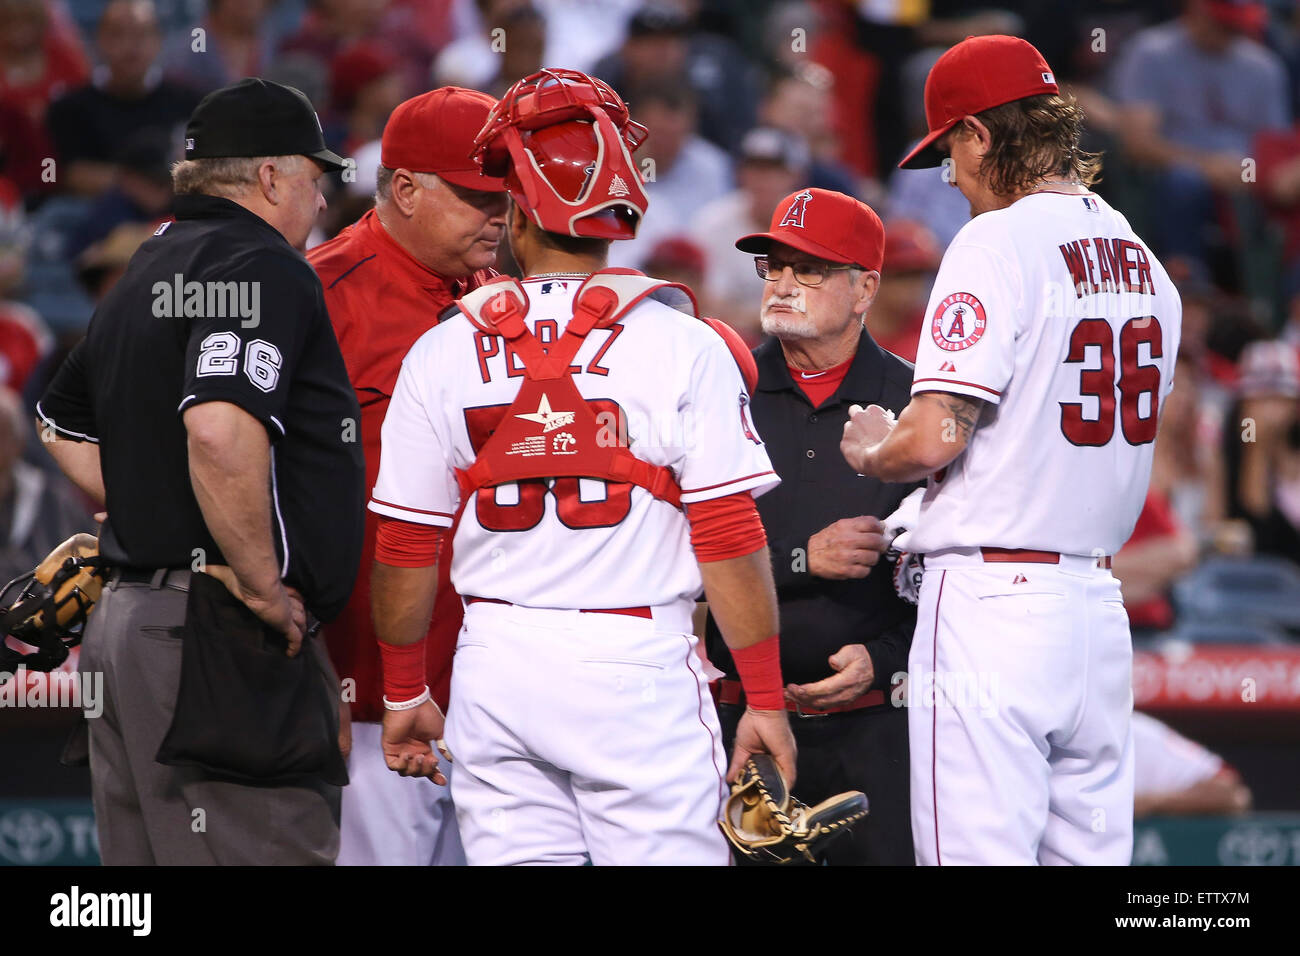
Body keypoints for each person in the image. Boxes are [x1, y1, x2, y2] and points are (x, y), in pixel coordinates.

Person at [368, 67, 796, 866]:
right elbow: (731, 534)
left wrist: (402, 690)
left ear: (522, 210)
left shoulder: (445, 346)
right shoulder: (685, 342)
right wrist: (764, 698)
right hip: (633, 664)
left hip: (495, 662)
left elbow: (403, 542)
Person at [841, 35, 1183, 865]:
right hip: (1097, 611)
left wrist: (877, 451)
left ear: (983, 135)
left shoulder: (996, 243)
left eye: (951, 149)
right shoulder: (1141, 256)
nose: (950, 177)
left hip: (994, 604)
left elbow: (938, 434)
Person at [35, 77, 365, 864]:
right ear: (271, 176)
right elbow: (218, 431)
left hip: (126, 630)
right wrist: (259, 584)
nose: (320, 205)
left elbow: (56, 420)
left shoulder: (149, 264)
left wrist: (152, 503)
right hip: (217, 631)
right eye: (314, 181)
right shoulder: (263, 265)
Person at [307, 86, 509, 867]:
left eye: (506, 197)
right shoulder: (321, 296)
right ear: (404, 188)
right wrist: (310, 672)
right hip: (365, 685)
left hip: (493, 683)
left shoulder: (507, 303)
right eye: (475, 197)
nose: (497, 215)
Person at [705, 187, 919, 865]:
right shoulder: (719, 387)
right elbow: (682, 558)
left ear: (864, 290)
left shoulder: (918, 404)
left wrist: (885, 658)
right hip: (741, 727)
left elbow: (956, 575)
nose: (785, 285)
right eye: (776, 266)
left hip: (878, 729)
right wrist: (802, 557)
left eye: (812, 269)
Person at [44, 0, 200, 197]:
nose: (131, 46)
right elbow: (71, 174)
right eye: (118, 34)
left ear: (158, 39)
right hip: (98, 210)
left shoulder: (191, 102)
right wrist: (139, 186)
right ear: (100, 40)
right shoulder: (69, 108)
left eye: (141, 34)